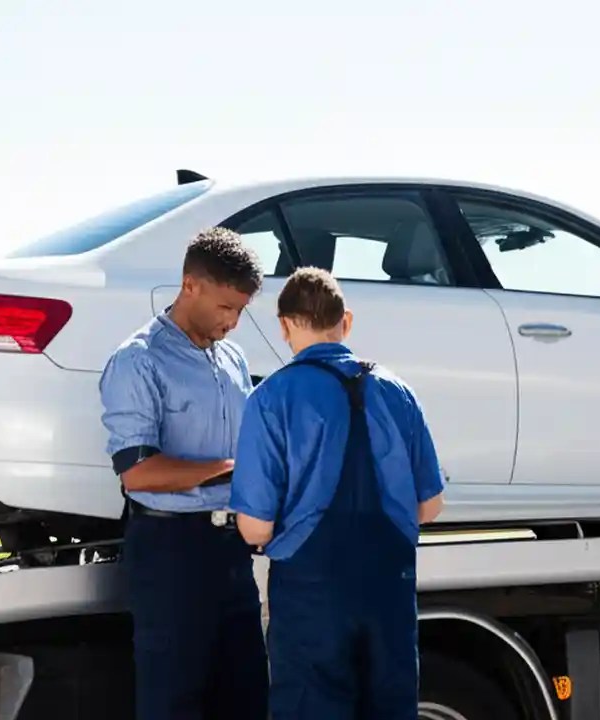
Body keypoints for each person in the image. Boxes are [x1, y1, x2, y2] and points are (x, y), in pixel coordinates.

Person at [230, 266, 446, 719]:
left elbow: (255, 527)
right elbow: (430, 505)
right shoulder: (398, 392)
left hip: (311, 595)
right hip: (389, 585)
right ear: (345, 322)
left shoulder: (271, 398)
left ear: (285, 325)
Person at [98, 227, 269, 720]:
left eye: (240, 310)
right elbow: (137, 473)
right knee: (174, 702)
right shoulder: (138, 360)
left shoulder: (232, 358)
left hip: (233, 550)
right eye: (225, 308)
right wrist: (232, 471)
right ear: (190, 285)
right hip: (172, 552)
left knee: (247, 698)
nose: (233, 322)